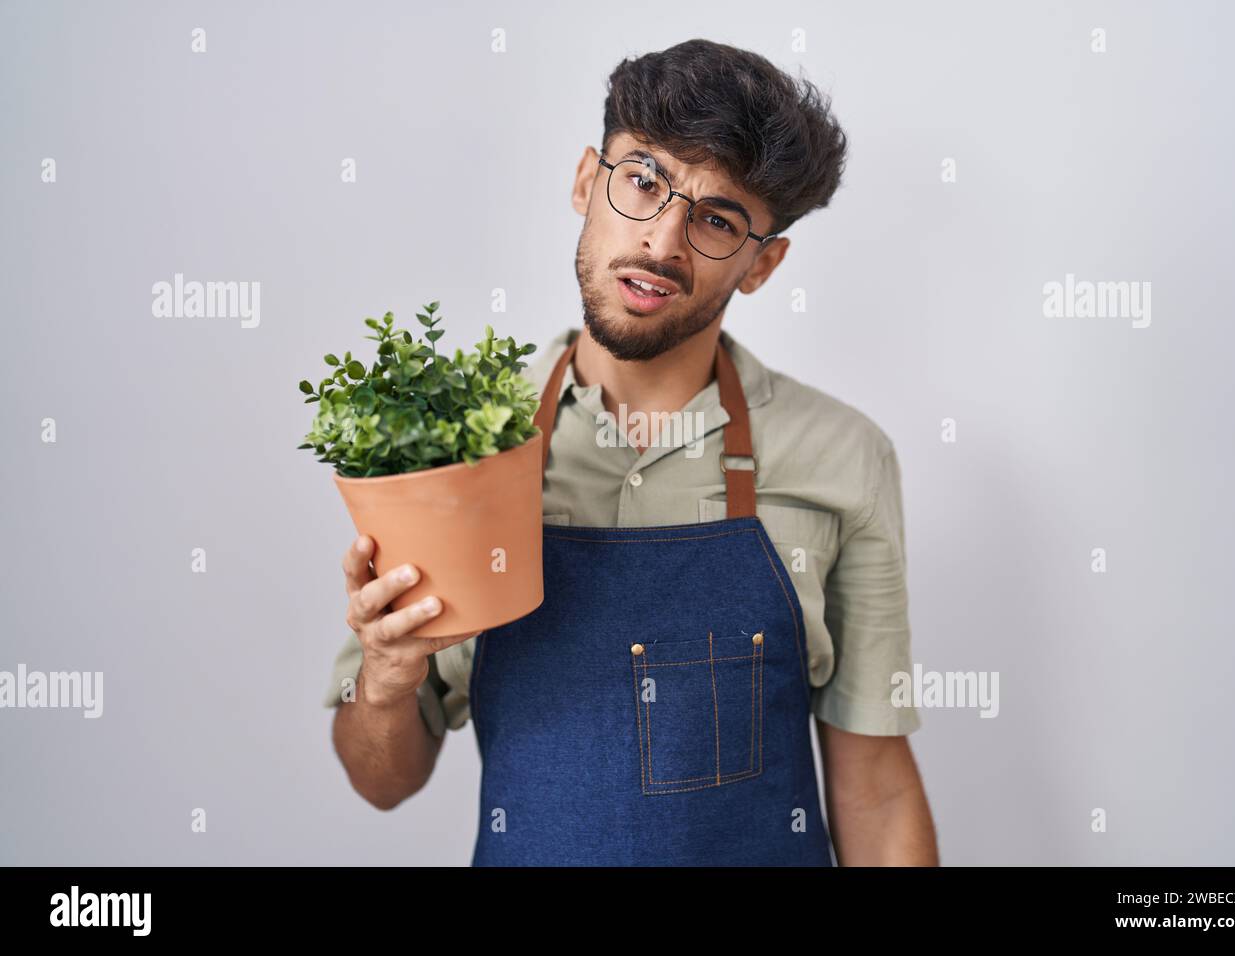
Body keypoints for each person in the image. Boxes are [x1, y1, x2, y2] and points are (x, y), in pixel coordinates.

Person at [325, 38, 938, 866]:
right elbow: (382, 780)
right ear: (587, 180)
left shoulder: (844, 457)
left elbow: (877, 784)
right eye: (643, 181)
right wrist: (386, 681)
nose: (662, 242)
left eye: (717, 220)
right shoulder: (456, 447)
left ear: (763, 264)